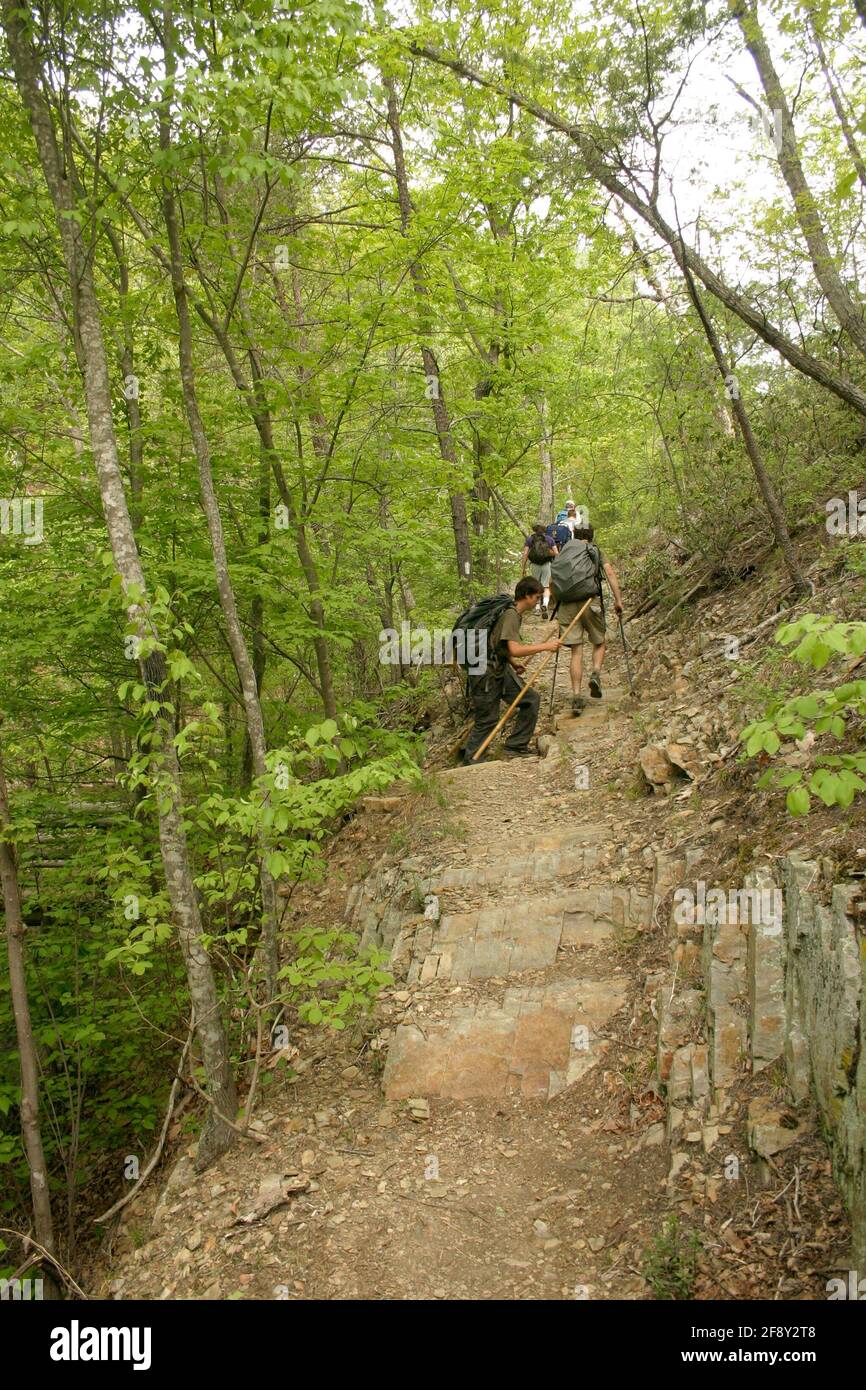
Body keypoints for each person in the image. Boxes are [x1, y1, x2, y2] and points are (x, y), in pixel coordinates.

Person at [460, 577, 564, 764]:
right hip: (485, 672)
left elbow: (500, 645)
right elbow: (514, 647)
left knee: (530, 700)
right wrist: (546, 646)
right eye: (537, 597)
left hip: (499, 667)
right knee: (488, 720)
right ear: (526, 595)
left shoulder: (512, 613)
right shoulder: (511, 614)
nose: (538, 601)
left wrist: (513, 662)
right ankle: (471, 762)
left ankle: (514, 746)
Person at [555, 524, 624, 716]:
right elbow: (609, 573)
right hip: (589, 601)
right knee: (599, 641)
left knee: (576, 651)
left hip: (567, 604)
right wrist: (618, 601)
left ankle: (576, 697)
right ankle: (595, 672)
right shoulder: (594, 550)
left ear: (575, 535)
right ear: (591, 536)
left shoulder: (564, 552)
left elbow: (553, 581)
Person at [520, 524, 558, 618]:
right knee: (546, 587)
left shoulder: (530, 539)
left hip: (534, 565)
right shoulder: (549, 539)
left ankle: (536, 607)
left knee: (535, 586)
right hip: (546, 565)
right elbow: (557, 554)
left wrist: (523, 567)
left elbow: (525, 554)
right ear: (544, 530)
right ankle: (545, 604)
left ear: (535, 530)